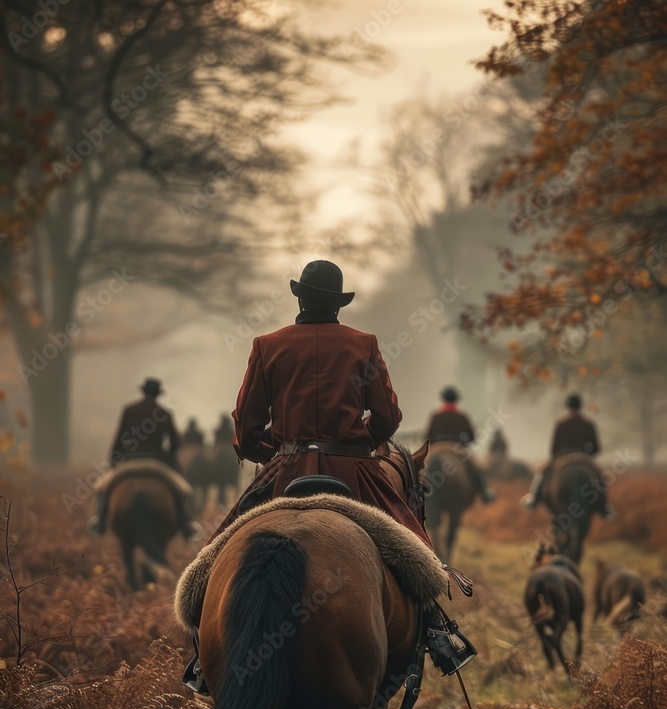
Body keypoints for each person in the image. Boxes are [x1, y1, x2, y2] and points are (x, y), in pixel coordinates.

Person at [208, 259, 477, 676]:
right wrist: (359, 443)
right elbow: (389, 419)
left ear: (299, 296)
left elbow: (245, 427)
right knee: (416, 550)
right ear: (339, 303)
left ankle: (202, 658)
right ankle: (437, 632)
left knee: (216, 553)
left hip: (286, 471)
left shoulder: (268, 344)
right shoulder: (362, 343)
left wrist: (274, 453)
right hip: (354, 472)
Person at [87, 378, 200, 539]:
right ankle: (188, 526)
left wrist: (113, 461)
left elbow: (119, 438)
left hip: (129, 461)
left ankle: (99, 521)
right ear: (157, 394)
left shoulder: (129, 410)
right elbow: (176, 443)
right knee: (183, 491)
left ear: (143, 392)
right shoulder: (164, 413)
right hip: (156, 462)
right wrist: (166, 457)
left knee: (103, 489)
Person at [521, 393, 613, 516]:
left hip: (562, 458)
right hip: (583, 458)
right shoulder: (588, 424)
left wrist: (559, 456)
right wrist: (586, 455)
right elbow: (596, 448)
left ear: (567, 406)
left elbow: (554, 449)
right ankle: (604, 507)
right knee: (600, 477)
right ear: (580, 406)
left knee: (541, 473)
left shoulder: (561, 423)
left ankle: (533, 499)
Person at [424, 387, 495, 503]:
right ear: (456, 400)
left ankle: (410, 493)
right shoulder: (462, 417)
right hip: (457, 449)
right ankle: (485, 492)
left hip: (437, 448)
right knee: (478, 468)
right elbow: (472, 437)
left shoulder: (435, 417)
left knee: (419, 468)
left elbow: (427, 437)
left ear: (443, 399)